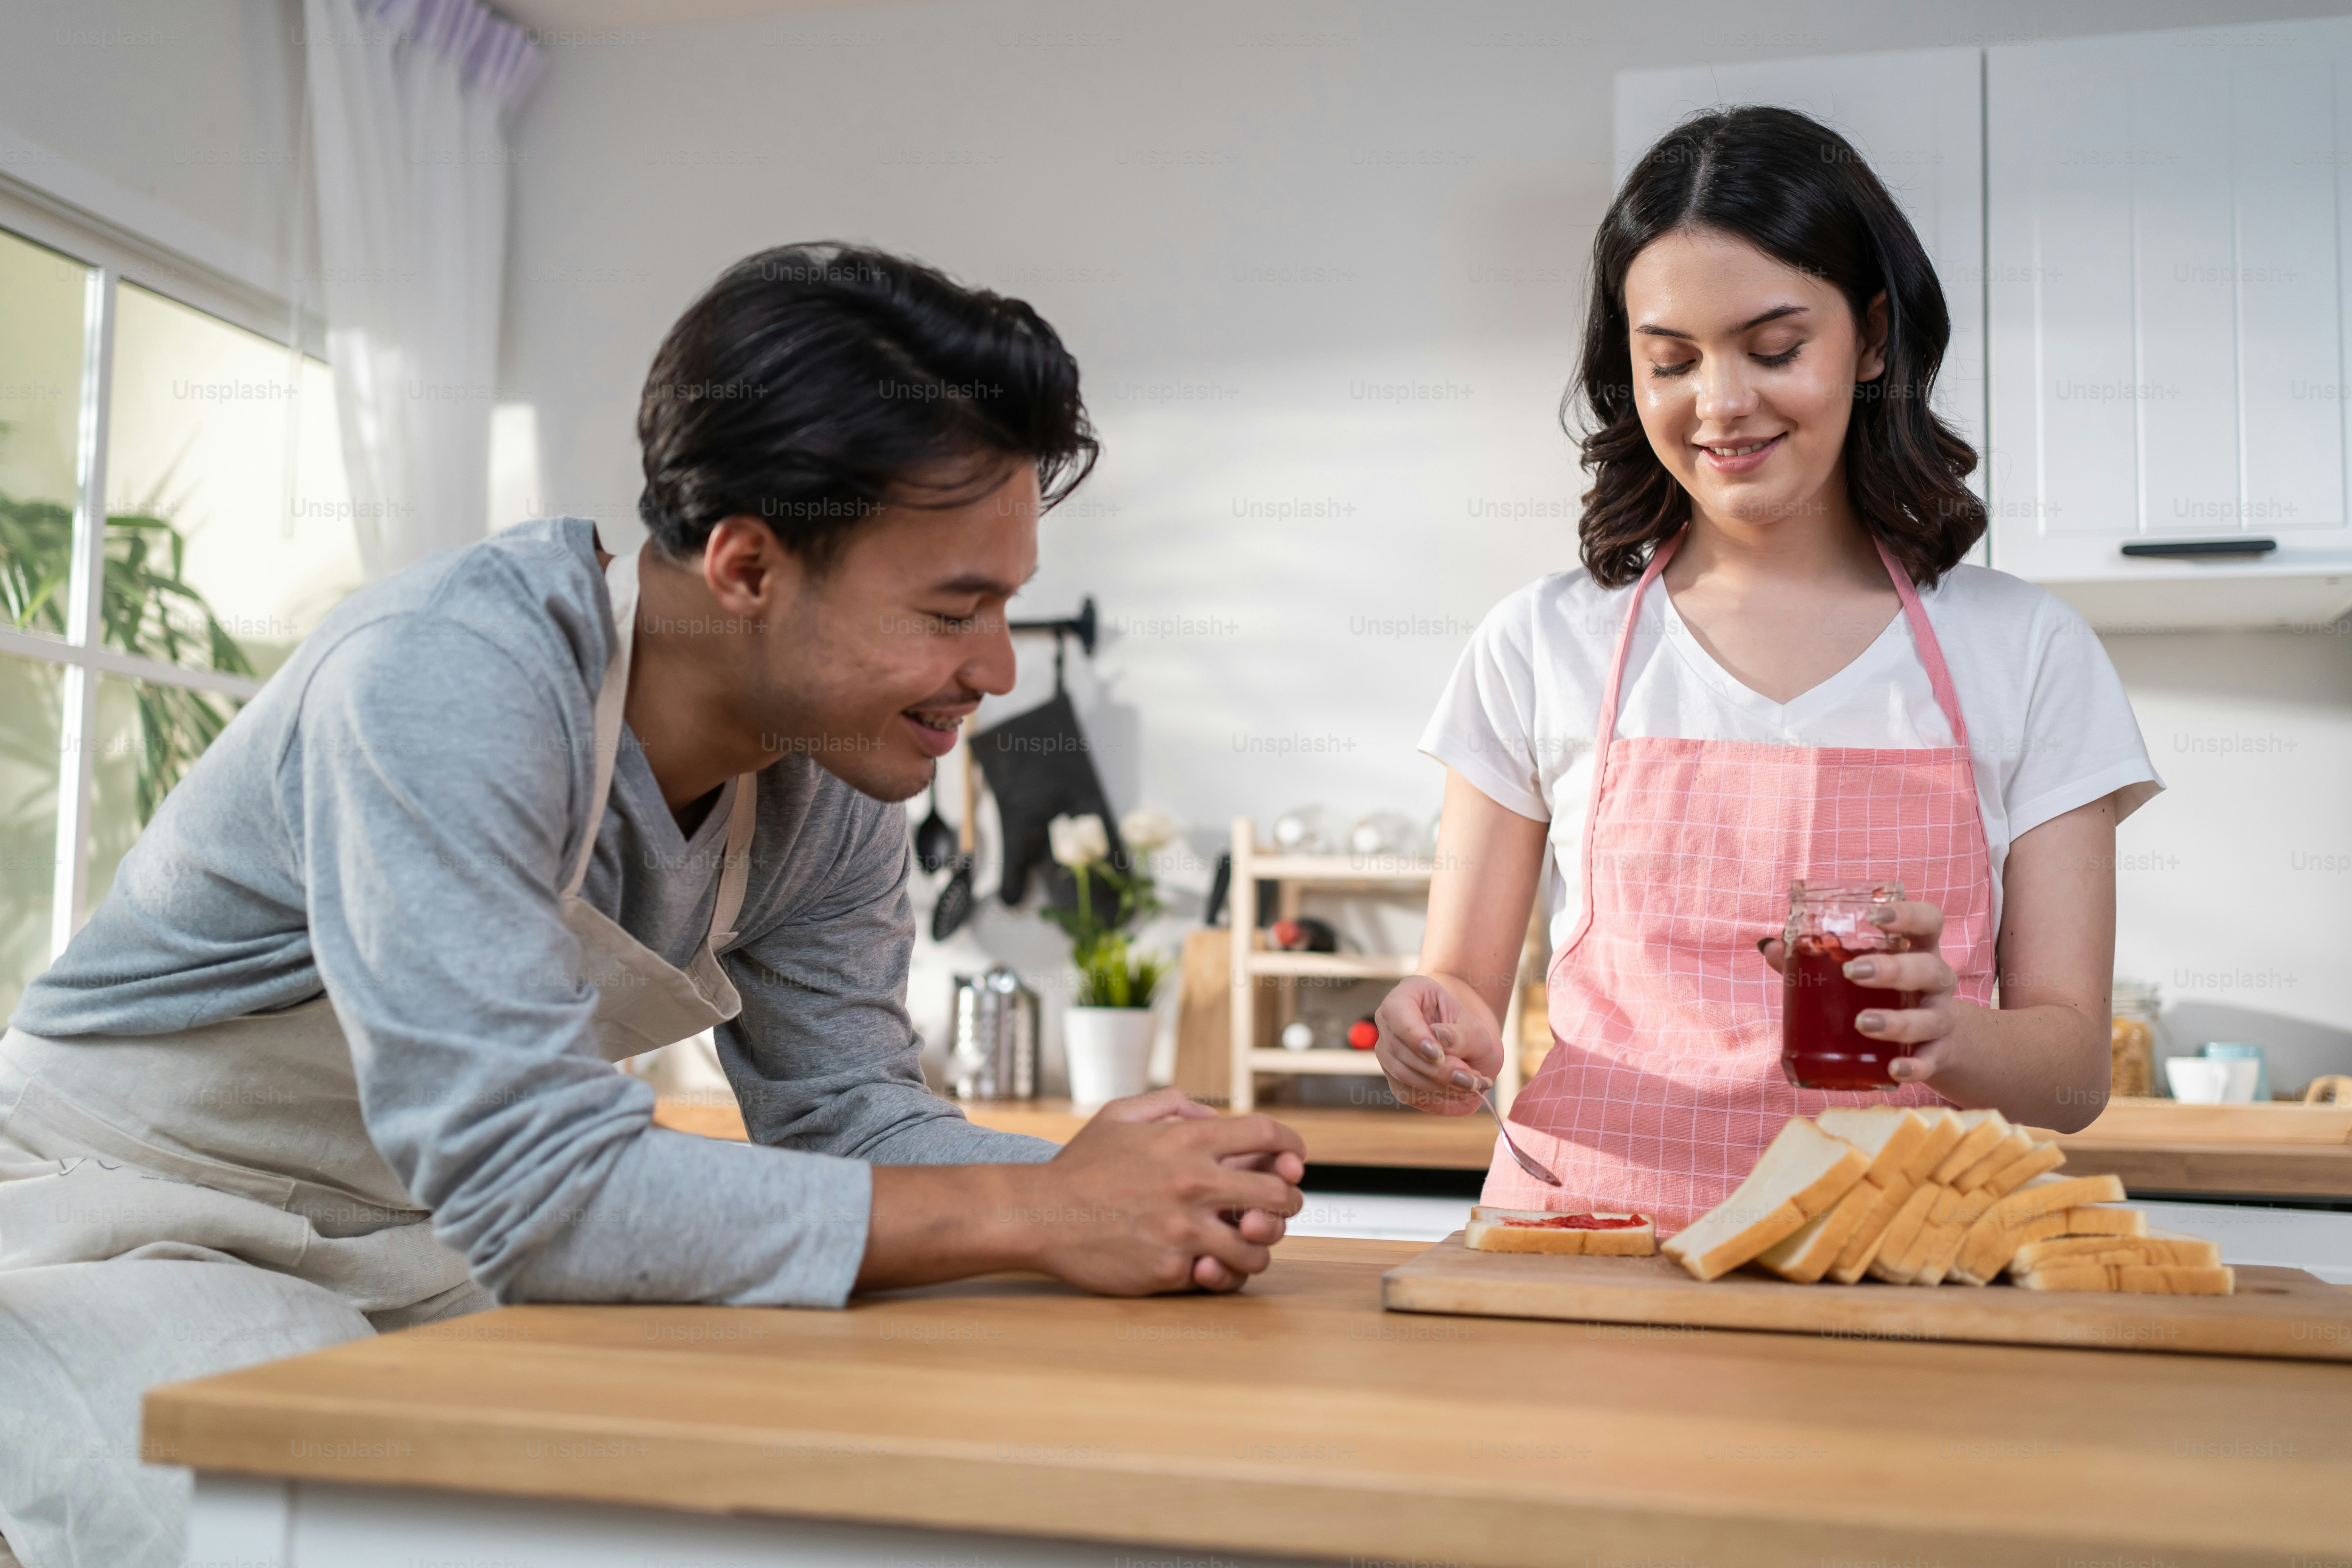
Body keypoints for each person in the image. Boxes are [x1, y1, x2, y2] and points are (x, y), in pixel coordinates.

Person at [0, 243, 1303, 1568]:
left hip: (424, 1240)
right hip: (119, 1222)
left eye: (1005, 606)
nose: (997, 667)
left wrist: (1149, 1194)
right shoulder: (450, 678)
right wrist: (1042, 1213)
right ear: (745, 567)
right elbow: (541, 1188)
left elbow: (848, 1116)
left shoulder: (839, 778)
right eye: (953, 608)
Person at [1374, 108, 2161, 1228]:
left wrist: (1952, 1034)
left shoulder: (2026, 653)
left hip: (1895, 1274)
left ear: (1872, 340)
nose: (1720, 403)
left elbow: (2074, 1074)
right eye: (1670, 361)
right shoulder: (1538, 644)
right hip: (1588, 1262)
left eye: (1774, 348)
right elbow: (1458, 987)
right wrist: (1425, 1029)